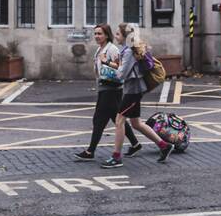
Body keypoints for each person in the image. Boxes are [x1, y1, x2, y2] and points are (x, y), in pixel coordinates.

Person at [101, 23, 173, 166]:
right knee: (136, 123)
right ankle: (164, 146)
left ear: (125, 36)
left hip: (133, 91)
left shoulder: (129, 51)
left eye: (117, 34)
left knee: (119, 120)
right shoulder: (128, 50)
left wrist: (108, 65)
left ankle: (116, 157)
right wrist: (112, 63)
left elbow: (122, 74)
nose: (115, 36)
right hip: (134, 89)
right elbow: (123, 69)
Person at [74, 24, 132, 162]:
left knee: (99, 120)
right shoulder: (100, 49)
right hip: (104, 88)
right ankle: (135, 144)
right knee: (117, 119)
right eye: (95, 34)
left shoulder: (112, 49)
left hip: (111, 89)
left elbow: (120, 67)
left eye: (99, 33)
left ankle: (90, 151)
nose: (97, 36)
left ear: (107, 35)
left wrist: (106, 62)